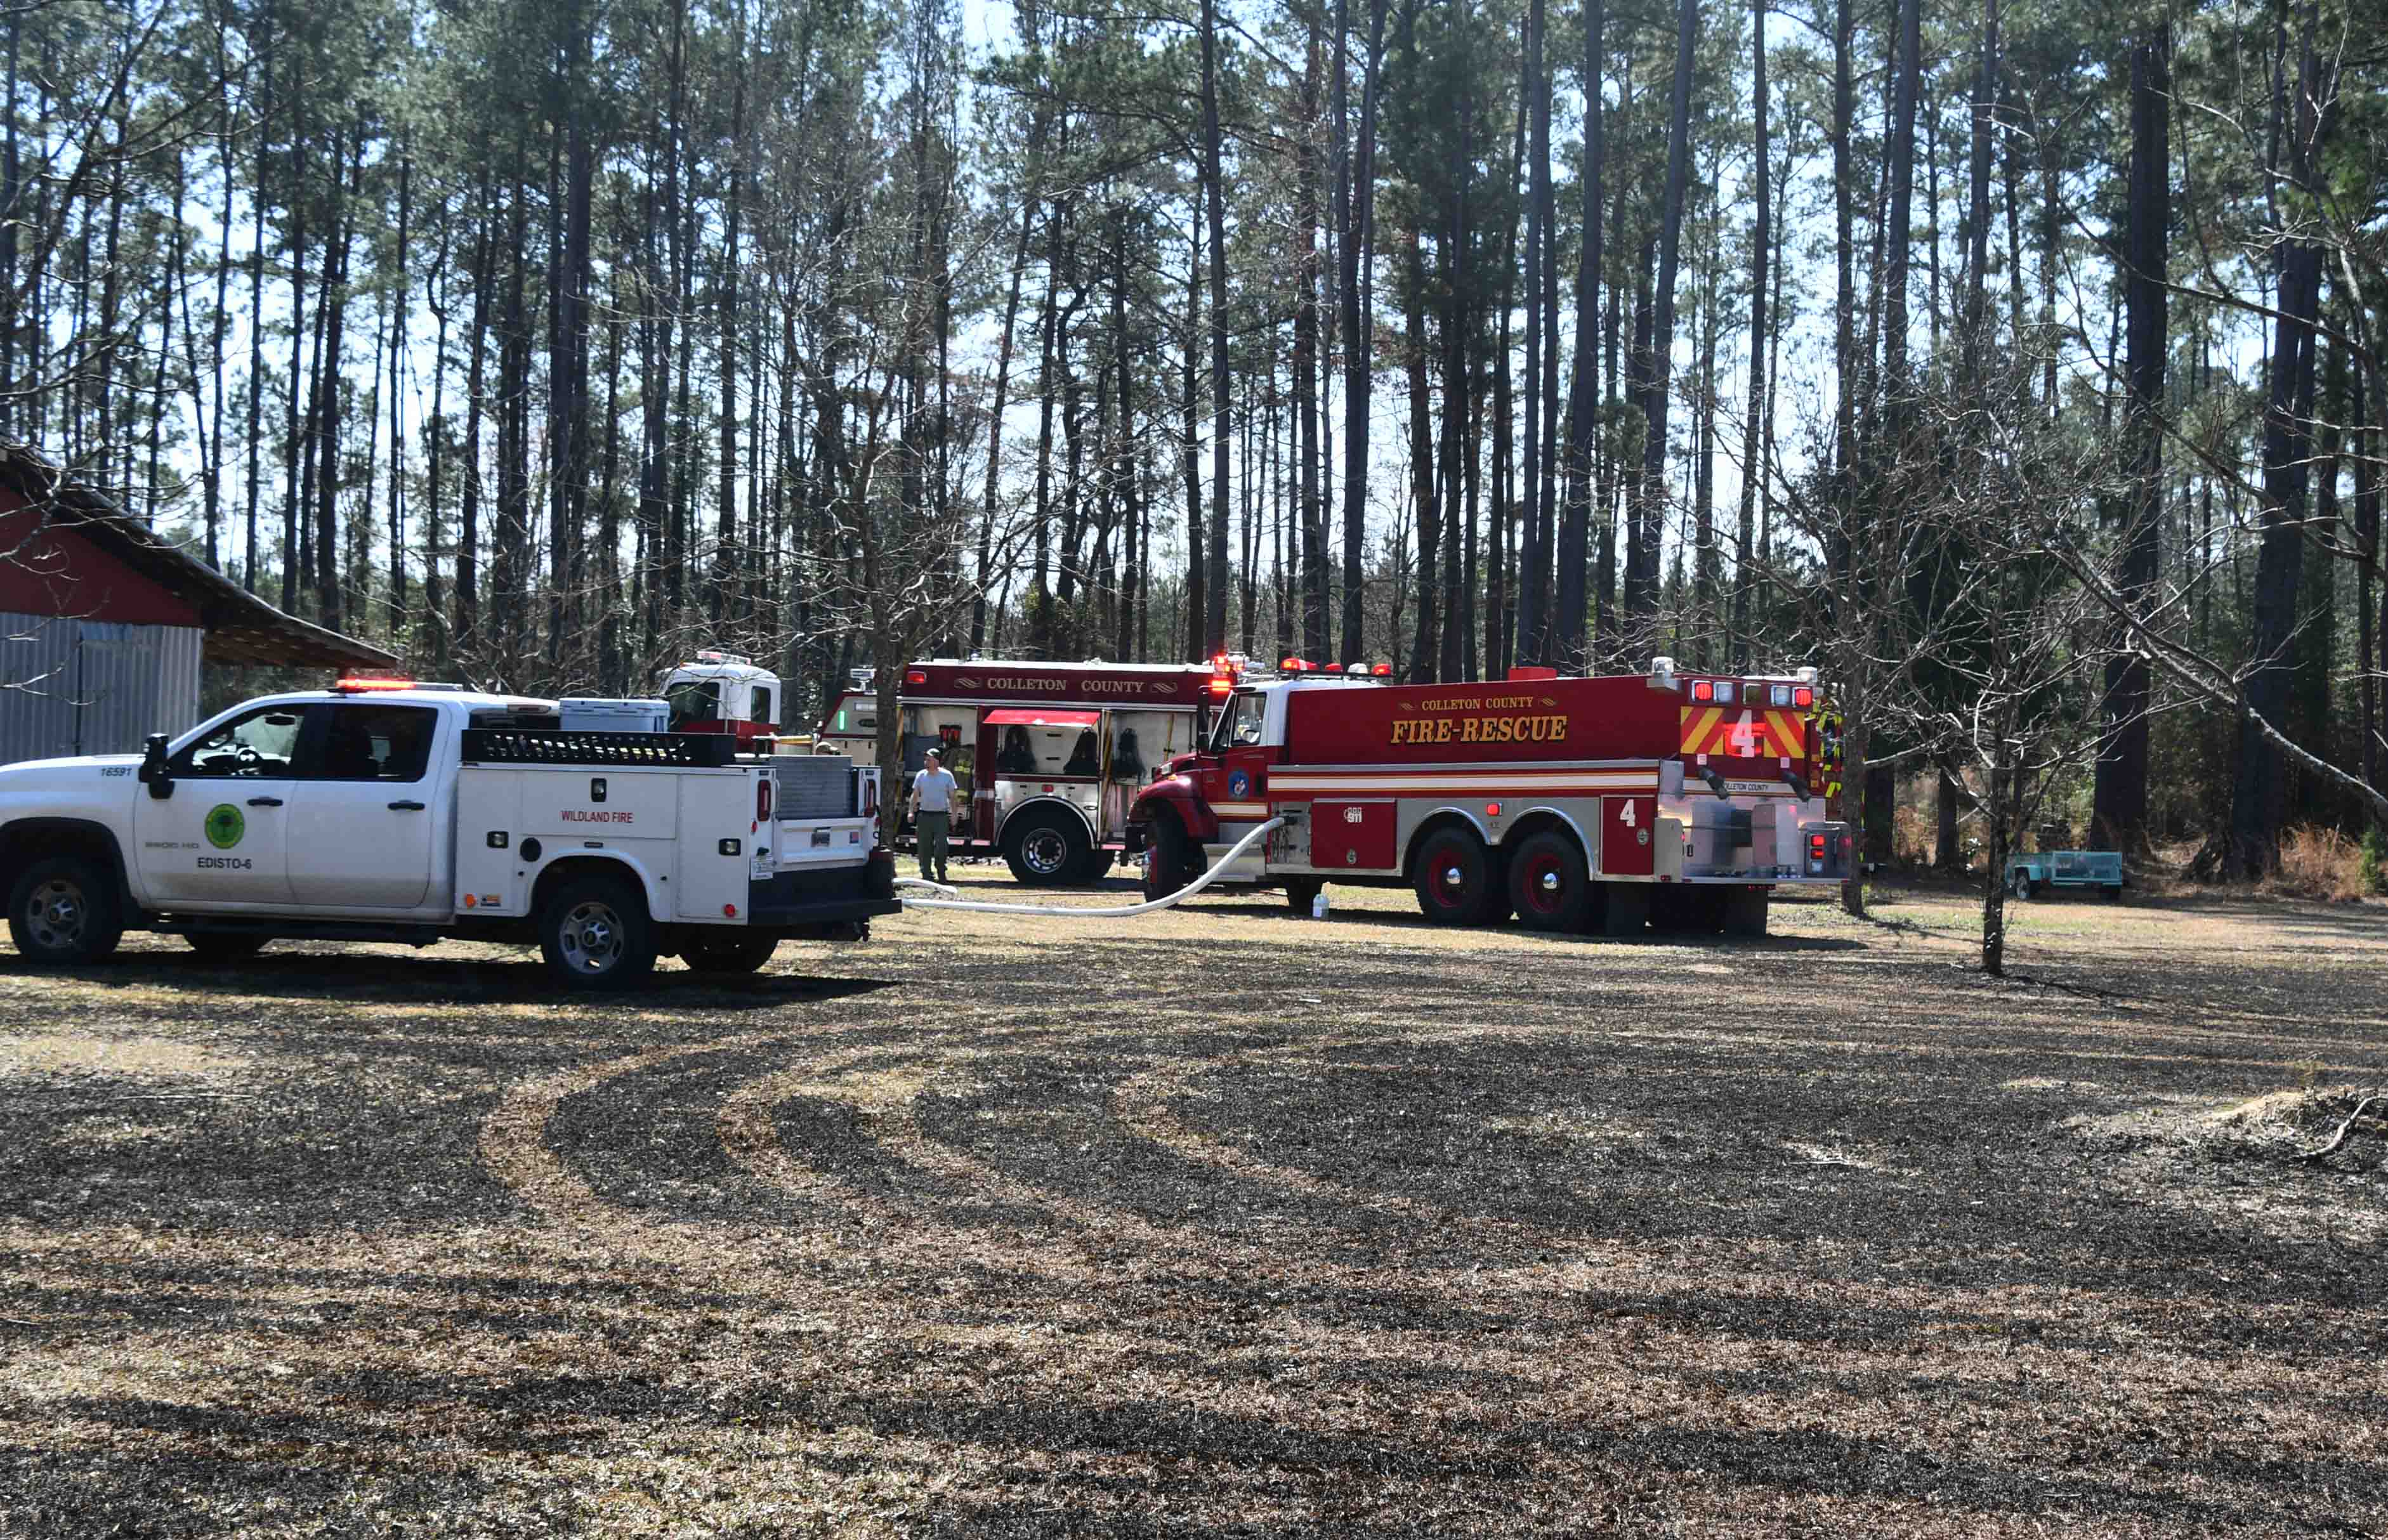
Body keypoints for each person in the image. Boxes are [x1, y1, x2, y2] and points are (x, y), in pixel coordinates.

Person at [909, 749, 958, 884]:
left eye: (929, 759)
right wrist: (911, 811)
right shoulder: (921, 775)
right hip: (924, 816)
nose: (926, 762)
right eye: (926, 759)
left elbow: (953, 797)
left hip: (941, 817)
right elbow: (915, 795)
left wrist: (954, 814)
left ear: (937, 761)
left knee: (942, 846)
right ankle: (926, 875)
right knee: (924, 848)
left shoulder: (947, 776)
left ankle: (941, 873)